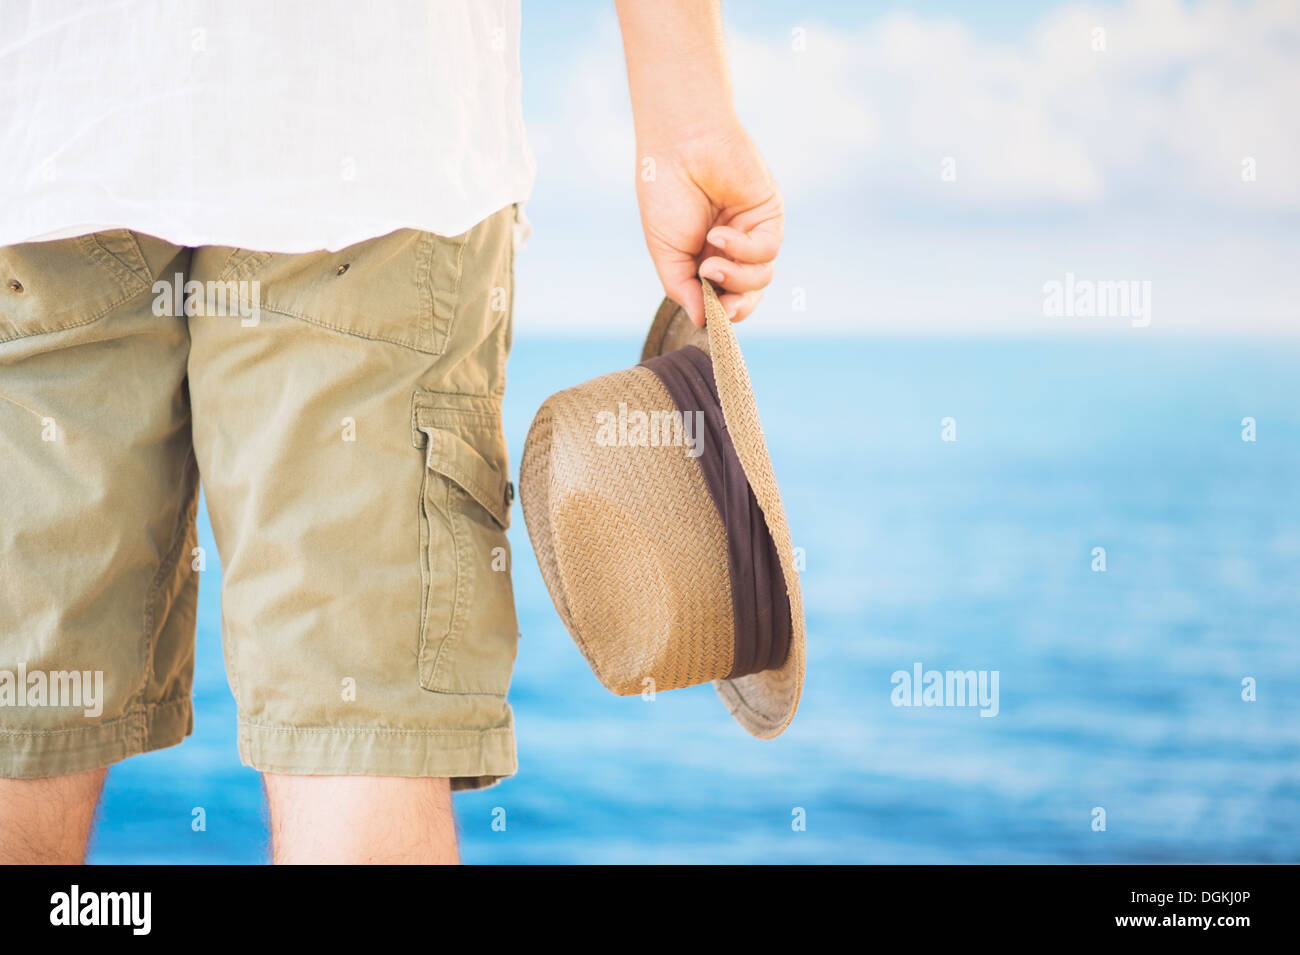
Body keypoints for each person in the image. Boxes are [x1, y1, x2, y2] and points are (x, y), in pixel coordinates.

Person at [0, 0, 782, 864]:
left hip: (43, 117)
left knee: (15, 718)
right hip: (373, 122)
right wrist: (688, 110)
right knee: (360, 738)